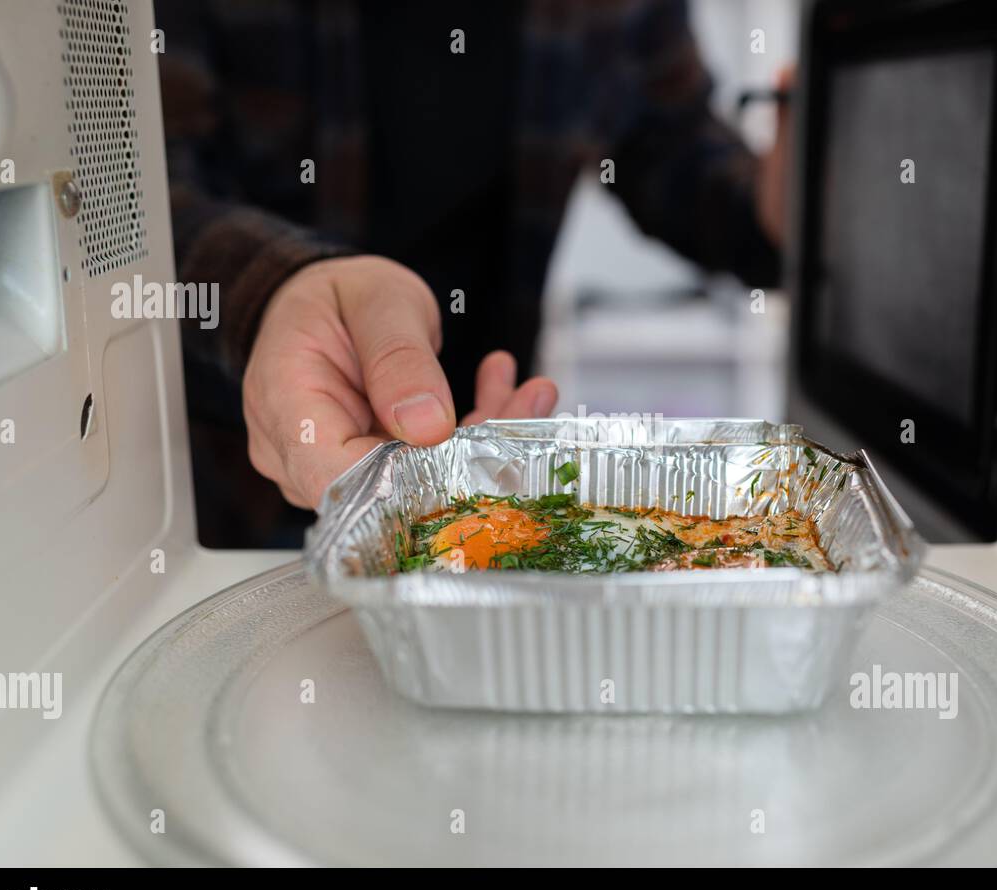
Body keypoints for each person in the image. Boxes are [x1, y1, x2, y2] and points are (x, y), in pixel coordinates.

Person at [157, 0, 789, 546]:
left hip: (491, 466)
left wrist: (781, 210)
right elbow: (133, 194)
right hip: (237, 483)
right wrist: (273, 292)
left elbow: (679, 158)